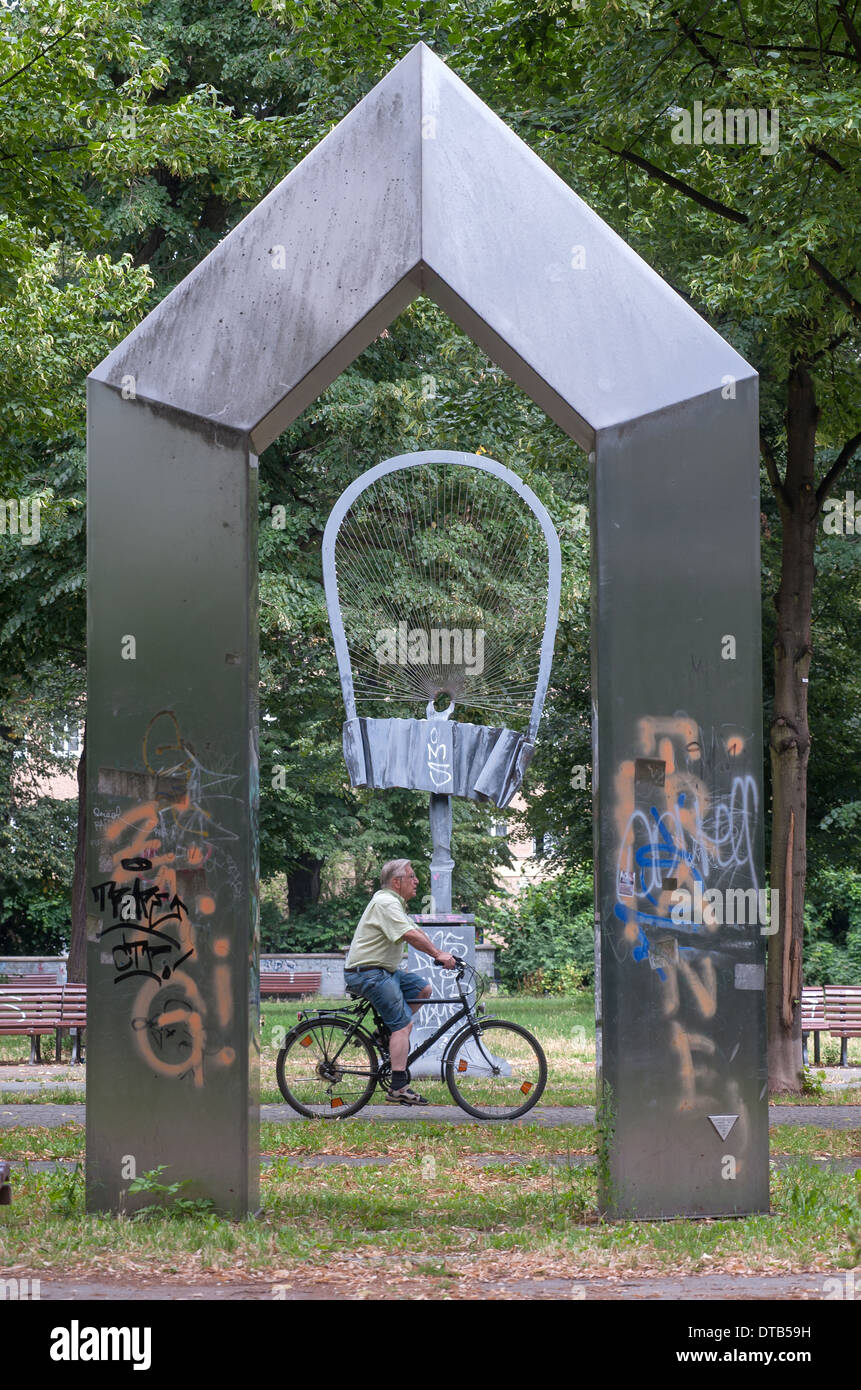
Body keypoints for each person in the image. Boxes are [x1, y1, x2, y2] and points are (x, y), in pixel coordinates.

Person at [344, 859, 457, 1105]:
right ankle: (398, 1086)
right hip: (369, 973)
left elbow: (417, 932)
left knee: (422, 989)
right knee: (403, 1025)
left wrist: (443, 954)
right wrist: (438, 955)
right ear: (397, 882)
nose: (416, 881)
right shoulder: (385, 902)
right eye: (412, 876)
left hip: (384, 971)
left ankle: (384, 1034)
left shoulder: (394, 904)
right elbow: (409, 935)